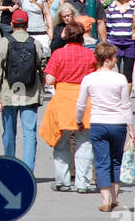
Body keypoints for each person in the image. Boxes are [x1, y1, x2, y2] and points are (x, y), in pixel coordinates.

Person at [39, 21, 97, 193]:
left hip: (63, 101)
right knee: (84, 143)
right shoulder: (90, 55)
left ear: (66, 36)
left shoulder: (58, 54)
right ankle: (83, 183)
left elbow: (49, 80)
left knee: (61, 143)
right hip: (85, 102)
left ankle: (62, 181)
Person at [0, 8, 47, 171]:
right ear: (27, 24)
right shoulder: (35, 44)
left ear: (12, 24)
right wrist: (41, 87)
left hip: (10, 92)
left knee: (9, 132)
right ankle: (27, 170)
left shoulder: (4, 43)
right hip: (30, 93)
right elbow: (42, 67)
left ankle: (9, 166)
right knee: (29, 133)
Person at [76, 42, 131, 211]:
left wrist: (79, 121)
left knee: (101, 162)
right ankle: (115, 199)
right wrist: (131, 127)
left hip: (98, 123)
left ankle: (105, 200)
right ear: (107, 59)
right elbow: (126, 105)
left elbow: (81, 105)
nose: (116, 60)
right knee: (116, 161)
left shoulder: (89, 79)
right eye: (114, 57)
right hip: (118, 124)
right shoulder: (120, 78)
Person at [101, 0, 135, 83]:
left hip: (130, 44)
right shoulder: (112, 7)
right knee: (115, 73)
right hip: (115, 44)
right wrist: (108, 42)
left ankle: (126, 98)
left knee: (128, 75)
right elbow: (108, 26)